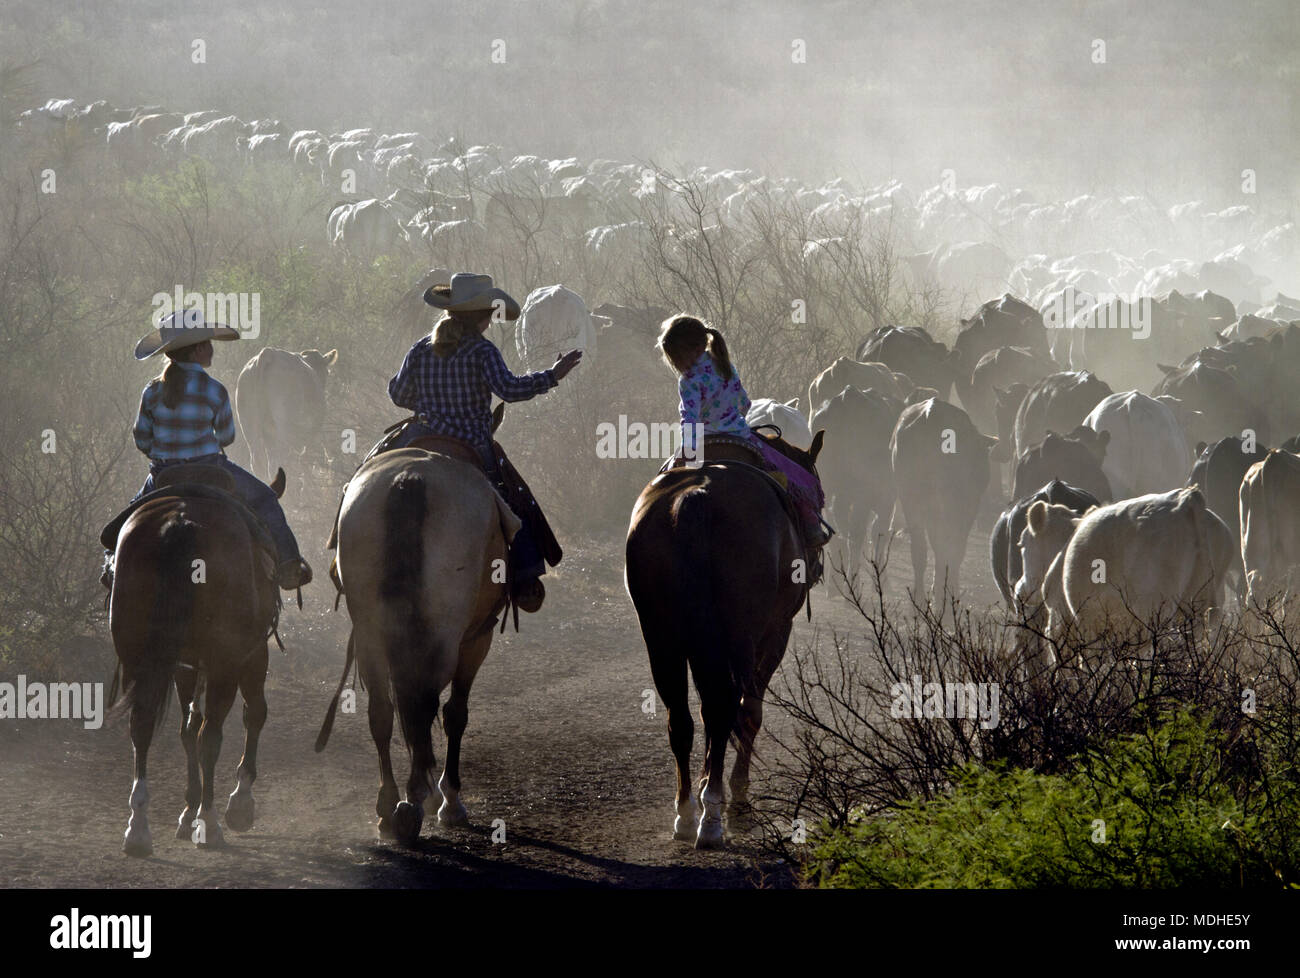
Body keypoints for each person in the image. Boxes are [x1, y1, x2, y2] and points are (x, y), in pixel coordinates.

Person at [383, 272, 582, 612]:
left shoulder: (421, 347)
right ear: (481, 316)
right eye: (490, 313)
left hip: (421, 437)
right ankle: (525, 576)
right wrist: (552, 375)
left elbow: (399, 395)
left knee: (371, 470)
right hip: (471, 442)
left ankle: (342, 554)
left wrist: (429, 402)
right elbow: (510, 390)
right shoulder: (482, 350)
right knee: (515, 500)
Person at [101, 310, 311, 591]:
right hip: (211, 470)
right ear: (199, 349)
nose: (212, 348)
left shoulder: (151, 392)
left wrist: (164, 452)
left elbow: (141, 439)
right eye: (209, 343)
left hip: (164, 474)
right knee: (265, 499)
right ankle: (288, 566)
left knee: (126, 521)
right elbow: (226, 436)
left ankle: (112, 568)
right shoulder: (215, 390)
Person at [656, 313, 831, 549]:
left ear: (695, 348)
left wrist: (688, 452)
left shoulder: (689, 380)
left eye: (677, 358)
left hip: (703, 443)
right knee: (787, 474)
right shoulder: (724, 365)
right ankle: (810, 525)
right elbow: (745, 404)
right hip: (739, 437)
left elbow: (690, 418)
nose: (677, 365)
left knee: (664, 486)